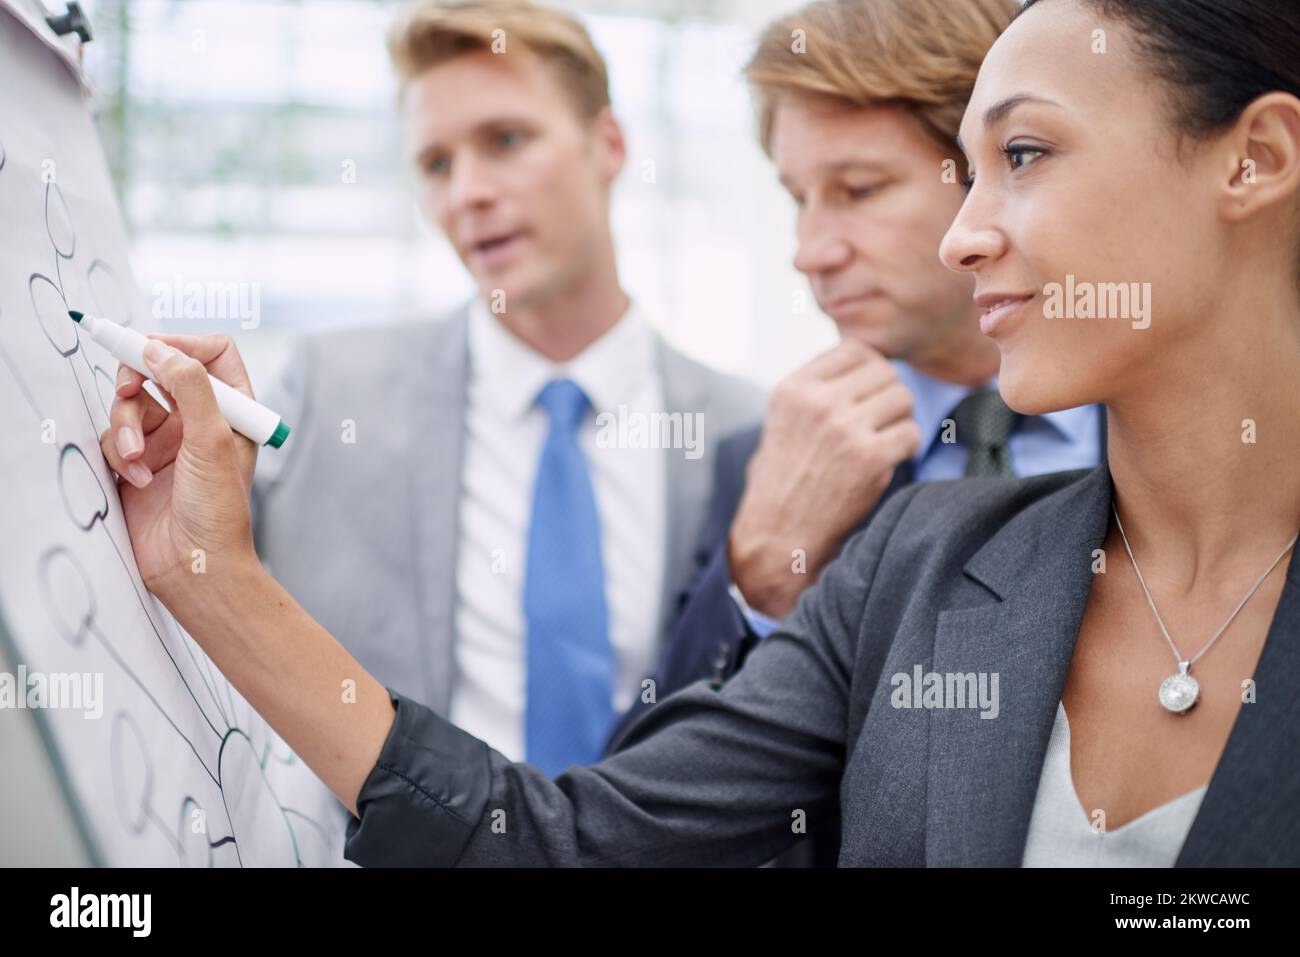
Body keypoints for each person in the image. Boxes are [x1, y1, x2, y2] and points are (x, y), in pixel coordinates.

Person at [101, 0, 1300, 866]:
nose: (962, 235)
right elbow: (579, 833)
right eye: (432, 160)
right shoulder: (918, 547)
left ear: (1256, 159)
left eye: (1023, 156)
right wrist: (205, 574)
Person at [605, 0, 1099, 866]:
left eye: (858, 190)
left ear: (996, 172)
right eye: (798, 199)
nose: (808, 249)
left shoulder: (1162, 425)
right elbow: (636, 807)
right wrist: (760, 569)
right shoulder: (759, 462)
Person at [234, 0, 763, 776]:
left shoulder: (746, 427)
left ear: (608, 144)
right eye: (437, 164)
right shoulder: (324, 394)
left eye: (506, 140)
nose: (468, 194)